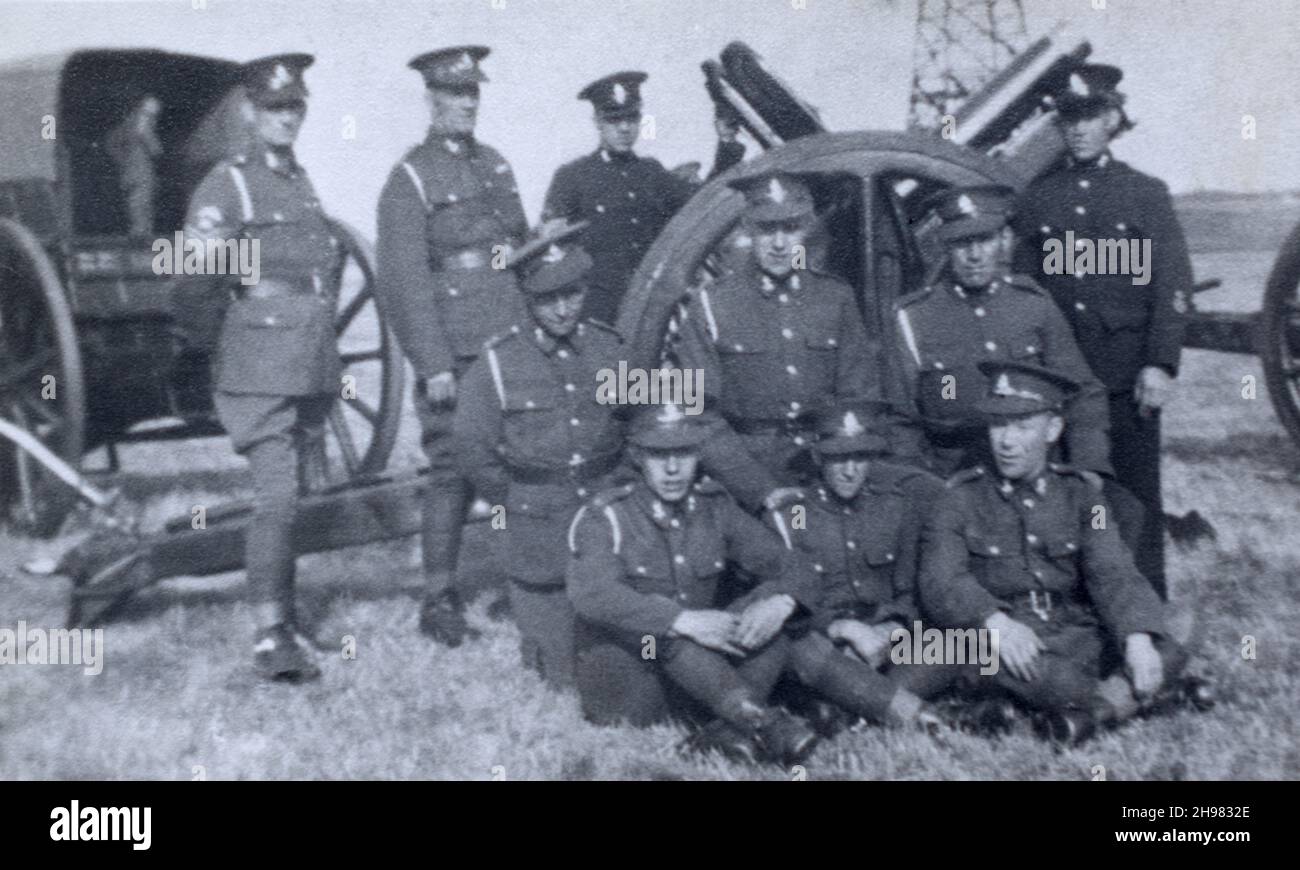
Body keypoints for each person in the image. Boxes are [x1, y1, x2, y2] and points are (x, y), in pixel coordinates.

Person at [918, 361, 1212, 744]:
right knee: (1058, 680)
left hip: (1075, 631)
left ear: (1053, 429)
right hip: (1002, 644)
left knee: (1181, 622)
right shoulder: (957, 497)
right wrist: (995, 623)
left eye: (1022, 427)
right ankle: (1131, 701)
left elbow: (1113, 571)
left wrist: (1137, 639)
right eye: (998, 425)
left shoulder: (1083, 496)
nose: (1006, 441)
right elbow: (941, 581)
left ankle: (1091, 711)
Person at [184, 53, 340, 681]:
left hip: (305, 362)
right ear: (249, 111)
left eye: (294, 106)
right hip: (258, 365)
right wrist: (221, 349)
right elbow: (194, 283)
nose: (285, 118)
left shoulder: (299, 181)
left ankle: (287, 619)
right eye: (274, 107)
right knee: (276, 498)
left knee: (291, 500)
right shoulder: (230, 183)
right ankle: (269, 635)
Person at [1012, 63, 1194, 599]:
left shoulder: (1145, 194)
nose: (1079, 129)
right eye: (1069, 118)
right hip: (1060, 383)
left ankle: (1146, 616)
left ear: (1113, 118)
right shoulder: (1038, 199)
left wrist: (1160, 363)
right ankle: (1077, 614)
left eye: (1090, 116)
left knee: (1134, 497)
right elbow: (1025, 291)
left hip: (1126, 379)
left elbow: (1172, 285)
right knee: (1064, 497)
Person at [375, 46, 530, 644]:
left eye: (473, 94)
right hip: (457, 348)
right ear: (432, 99)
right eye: (455, 94)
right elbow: (404, 279)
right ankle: (438, 598)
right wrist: (433, 362)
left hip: (508, 333)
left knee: (518, 456)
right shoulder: (410, 177)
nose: (467, 104)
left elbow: (516, 244)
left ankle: (528, 585)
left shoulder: (495, 164)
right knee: (450, 470)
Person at [566, 401, 820, 765]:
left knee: (774, 609)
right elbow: (592, 595)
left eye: (683, 453)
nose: (673, 469)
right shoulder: (606, 515)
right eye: (659, 455)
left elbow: (793, 565)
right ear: (638, 456)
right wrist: (682, 620)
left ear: (699, 453)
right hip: (631, 680)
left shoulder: (712, 505)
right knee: (663, 632)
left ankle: (721, 733)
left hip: (700, 675)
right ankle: (763, 724)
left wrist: (780, 604)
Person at [452, 236, 626, 686]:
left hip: (608, 515)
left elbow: (637, 424)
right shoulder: (497, 363)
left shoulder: (610, 349)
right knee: (563, 675)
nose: (564, 310)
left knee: (628, 663)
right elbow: (473, 447)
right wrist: (516, 498)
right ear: (528, 299)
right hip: (538, 535)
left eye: (573, 295)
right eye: (549, 299)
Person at [674, 169, 892, 512]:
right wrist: (759, 491)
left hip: (827, 477)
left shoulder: (835, 298)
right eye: (766, 229)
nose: (779, 244)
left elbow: (860, 396)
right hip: (747, 485)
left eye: (790, 229)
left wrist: (839, 473)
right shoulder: (712, 305)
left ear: (805, 231)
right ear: (748, 228)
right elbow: (698, 414)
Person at [894, 185, 1110, 479]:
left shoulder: (1033, 304)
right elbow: (898, 419)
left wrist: (1088, 467)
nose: (974, 255)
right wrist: (923, 487)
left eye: (984, 240)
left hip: (1035, 471)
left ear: (1002, 241)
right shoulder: (914, 317)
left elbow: (1083, 392)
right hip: (952, 478)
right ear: (945, 247)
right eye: (961, 243)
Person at [773, 400, 951, 731]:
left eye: (859, 457)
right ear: (817, 456)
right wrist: (841, 629)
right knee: (800, 653)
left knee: (958, 646)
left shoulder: (896, 505)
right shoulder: (791, 515)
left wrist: (894, 627)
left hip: (889, 641)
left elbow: (909, 589)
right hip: (828, 644)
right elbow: (790, 601)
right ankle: (887, 707)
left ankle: (846, 709)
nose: (850, 470)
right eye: (838, 458)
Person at [542, 71, 744, 323]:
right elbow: (551, 252)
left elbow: (705, 203)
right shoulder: (572, 177)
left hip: (653, 311)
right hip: (598, 314)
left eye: (632, 118)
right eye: (614, 120)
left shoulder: (652, 173)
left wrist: (726, 143)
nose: (625, 128)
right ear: (597, 121)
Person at [105, 93, 163, 236]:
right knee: (140, 202)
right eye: (153, 105)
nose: (156, 109)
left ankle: (142, 231)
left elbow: (112, 143)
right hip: (139, 171)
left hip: (133, 170)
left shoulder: (132, 122)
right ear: (144, 106)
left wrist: (122, 161)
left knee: (140, 202)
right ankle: (140, 232)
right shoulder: (141, 120)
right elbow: (153, 147)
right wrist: (157, 148)